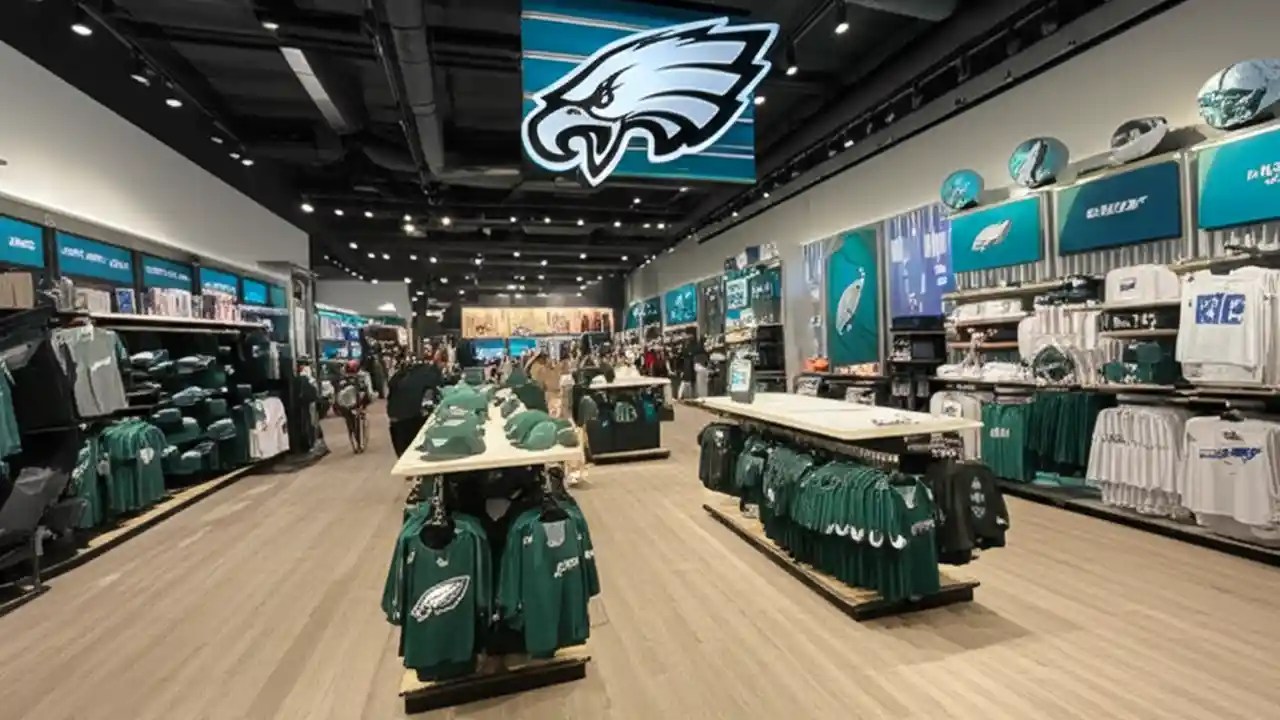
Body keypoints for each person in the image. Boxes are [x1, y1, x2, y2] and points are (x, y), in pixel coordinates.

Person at [334, 360, 371, 448]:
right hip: (348, 404)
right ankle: (355, 439)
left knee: (357, 418)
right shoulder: (342, 379)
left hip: (357, 403)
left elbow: (367, 391)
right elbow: (338, 394)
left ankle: (358, 440)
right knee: (350, 422)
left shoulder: (363, 376)